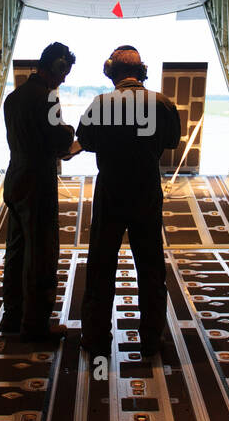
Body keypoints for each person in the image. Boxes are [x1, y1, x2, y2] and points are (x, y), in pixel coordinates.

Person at [76, 46, 181, 359]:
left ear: (111, 72)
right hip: (147, 192)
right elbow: (172, 141)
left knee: (100, 268)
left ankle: (95, 339)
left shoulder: (101, 104)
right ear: (143, 71)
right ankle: (151, 339)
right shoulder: (162, 103)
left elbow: (87, 141)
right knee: (150, 269)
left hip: (110, 191)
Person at [2, 42, 77, 342]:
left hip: (16, 180)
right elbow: (58, 140)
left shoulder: (12, 98)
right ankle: (36, 324)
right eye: (64, 72)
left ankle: (13, 316)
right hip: (38, 184)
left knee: (16, 253)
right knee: (42, 253)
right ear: (56, 67)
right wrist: (70, 132)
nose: (64, 79)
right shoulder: (47, 100)